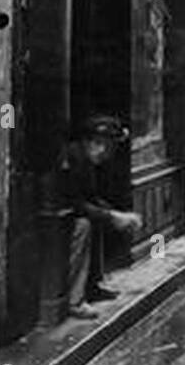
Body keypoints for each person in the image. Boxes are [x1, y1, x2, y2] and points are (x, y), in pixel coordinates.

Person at [55, 115, 142, 320]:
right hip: (60, 221)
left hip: (73, 212)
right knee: (85, 225)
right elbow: (76, 203)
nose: (108, 154)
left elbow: (91, 197)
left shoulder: (85, 158)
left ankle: (92, 286)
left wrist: (116, 215)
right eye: (109, 147)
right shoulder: (72, 158)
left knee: (97, 219)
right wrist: (112, 216)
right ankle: (75, 302)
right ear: (97, 144)